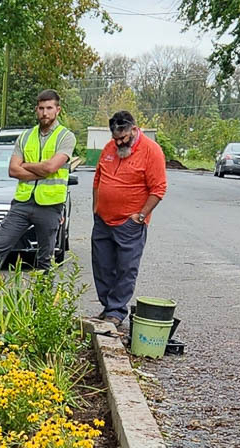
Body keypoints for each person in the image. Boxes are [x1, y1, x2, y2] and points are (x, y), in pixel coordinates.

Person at [90, 110, 168, 332]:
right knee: (102, 265)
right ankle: (108, 307)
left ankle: (116, 311)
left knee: (125, 268)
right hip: (103, 220)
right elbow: (97, 179)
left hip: (130, 223)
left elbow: (159, 189)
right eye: (115, 138)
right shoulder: (109, 148)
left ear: (134, 129)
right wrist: (96, 208)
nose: (119, 142)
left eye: (123, 138)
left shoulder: (151, 151)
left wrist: (140, 216)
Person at [0, 91, 76, 272]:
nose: (45, 113)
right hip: (22, 203)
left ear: (58, 110)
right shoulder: (26, 136)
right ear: (36, 110)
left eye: (49, 108)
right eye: (41, 108)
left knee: (45, 258)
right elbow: (13, 170)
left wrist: (26, 165)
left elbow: (51, 167)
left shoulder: (66, 136)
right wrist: (42, 170)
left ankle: (42, 299)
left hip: (50, 205)